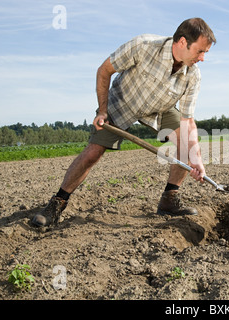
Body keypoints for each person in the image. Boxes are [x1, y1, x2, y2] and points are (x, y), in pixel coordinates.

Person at [31, 18, 216, 228]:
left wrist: (196, 158)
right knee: (93, 152)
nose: (202, 58)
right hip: (122, 102)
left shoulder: (193, 75)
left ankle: (169, 200)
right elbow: (104, 70)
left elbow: (187, 120)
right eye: (200, 51)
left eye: (205, 53)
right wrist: (102, 110)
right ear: (182, 42)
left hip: (159, 108)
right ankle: (57, 204)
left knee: (186, 143)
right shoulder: (144, 46)